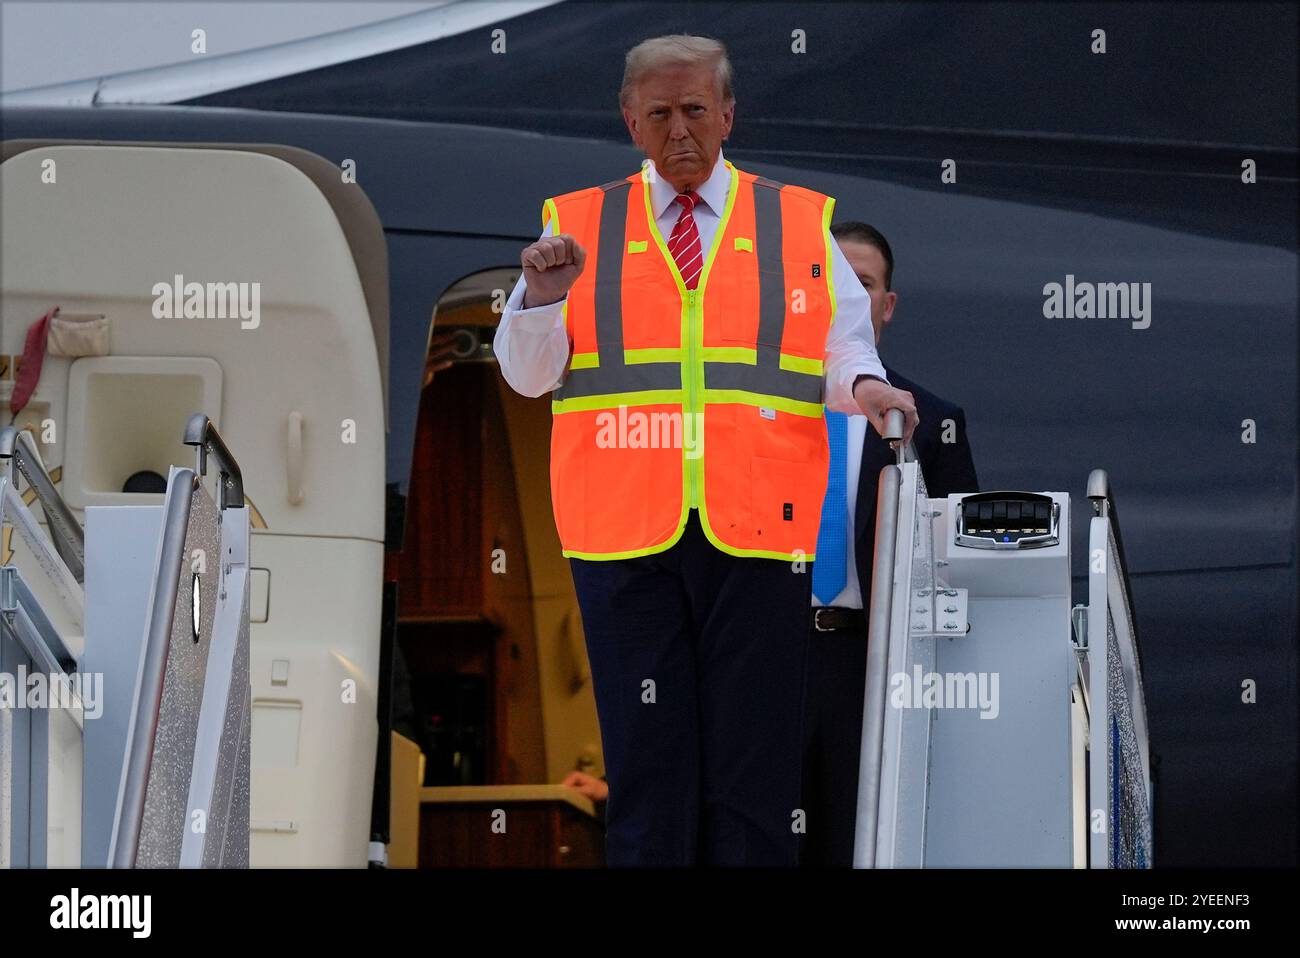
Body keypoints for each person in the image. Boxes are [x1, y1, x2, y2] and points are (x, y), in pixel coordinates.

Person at [494, 35, 917, 867]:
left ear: (728, 114)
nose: (679, 130)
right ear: (629, 121)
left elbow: (843, 345)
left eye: (695, 110)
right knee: (649, 775)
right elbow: (526, 374)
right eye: (659, 113)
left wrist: (866, 389)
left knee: (754, 778)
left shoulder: (797, 221)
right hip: (623, 538)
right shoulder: (574, 226)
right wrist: (543, 298)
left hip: (760, 530)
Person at [800, 221, 979, 867]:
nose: (846, 295)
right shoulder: (754, 408)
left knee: (861, 843)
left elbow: (960, 572)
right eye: (832, 281)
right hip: (767, 655)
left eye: (864, 283)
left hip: (871, 669)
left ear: (885, 304)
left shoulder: (932, 421)